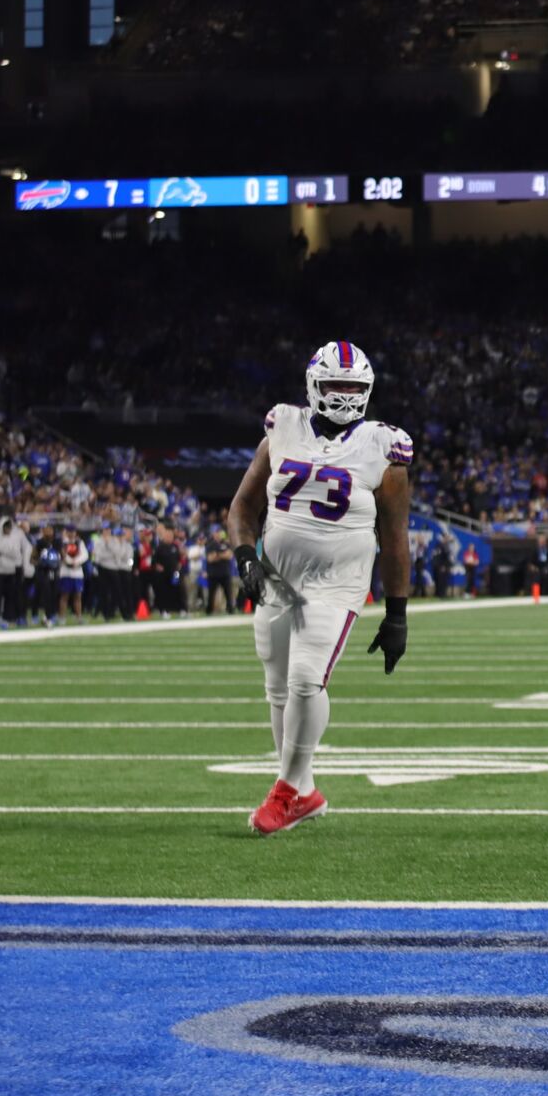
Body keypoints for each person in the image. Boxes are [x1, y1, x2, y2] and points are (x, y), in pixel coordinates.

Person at [226, 341, 413, 837]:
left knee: (307, 677)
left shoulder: (383, 445)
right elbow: (243, 507)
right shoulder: (283, 427)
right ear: (314, 385)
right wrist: (246, 556)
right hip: (277, 574)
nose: (345, 395)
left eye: (354, 387)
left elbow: (395, 538)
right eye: (336, 385)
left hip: (337, 581)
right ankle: (303, 789)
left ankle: (286, 791)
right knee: (277, 682)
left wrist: (397, 614)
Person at [0, 517, 32, 627]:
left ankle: (9, 618)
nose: (8, 529)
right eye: (6, 527)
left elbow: (26, 548)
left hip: (12, 570)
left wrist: (6, 553)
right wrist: (13, 553)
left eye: (9, 527)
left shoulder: (18, 534)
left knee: (12, 595)